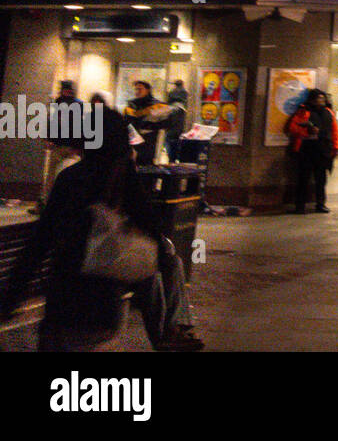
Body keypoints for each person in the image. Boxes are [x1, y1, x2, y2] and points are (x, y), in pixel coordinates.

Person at [0, 107, 203, 351]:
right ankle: (166, 334)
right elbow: (153, 237)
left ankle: (165, 333)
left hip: (63, 303)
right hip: (103, 309)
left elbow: (39, 243)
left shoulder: (69, 179)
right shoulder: (124, 179)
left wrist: (11, 299)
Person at [287, 89, 338, 213]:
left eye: (322, 98)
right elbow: (293, 128)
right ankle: (300, 206)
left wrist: (336, 147)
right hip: (307, 149)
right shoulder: (304, 111)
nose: (320, 101)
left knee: (321, 179)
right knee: (303, 179)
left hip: (323, 150)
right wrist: (307, 131)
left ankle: (320, 204)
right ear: (312, 99)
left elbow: (334, 131)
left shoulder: (328, 112)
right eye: (318, 98)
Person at [39, 81, 84, 211]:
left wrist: (79, 145)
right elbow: (52, 122)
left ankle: (62, 204)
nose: (65, 92)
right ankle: (46, 203)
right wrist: (48, 138)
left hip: (71, 146)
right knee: (52, 176)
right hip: (60, 145)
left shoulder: (77, 105)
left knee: (67, 175)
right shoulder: (58, 104)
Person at [124, 80, 167, 165]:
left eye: (140, 89)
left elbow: (165, 123)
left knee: (147, 165)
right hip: (133, 140)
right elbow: (126, 122)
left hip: (150, 141)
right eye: (135, 89)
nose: (137, 92)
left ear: (148, 90)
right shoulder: (131, 105)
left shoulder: (158, 105)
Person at [163, 79, 190, 164]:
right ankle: (176, 158)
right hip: (179, 125)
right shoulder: (185, 93)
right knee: (177, 141)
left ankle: (172, 159)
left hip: (171, 124)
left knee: (170, 141)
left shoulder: (171, 93)